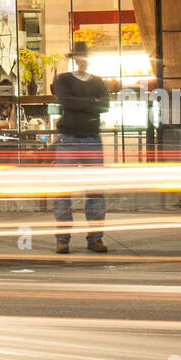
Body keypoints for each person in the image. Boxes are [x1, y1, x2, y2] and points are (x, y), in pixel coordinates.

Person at [52, 42, 110, 255]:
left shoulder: (93, 81)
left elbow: (105, 105)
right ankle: (64, 239)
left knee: (94, 192)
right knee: (64, 191)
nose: (82, 60)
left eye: (85, 57)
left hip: (86, 138)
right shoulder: (65, 80)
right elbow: (67, 102)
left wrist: (81, 103)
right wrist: (92, 102)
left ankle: (93, 238)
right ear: (75, 58)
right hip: (74, 138)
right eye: (80, 57)